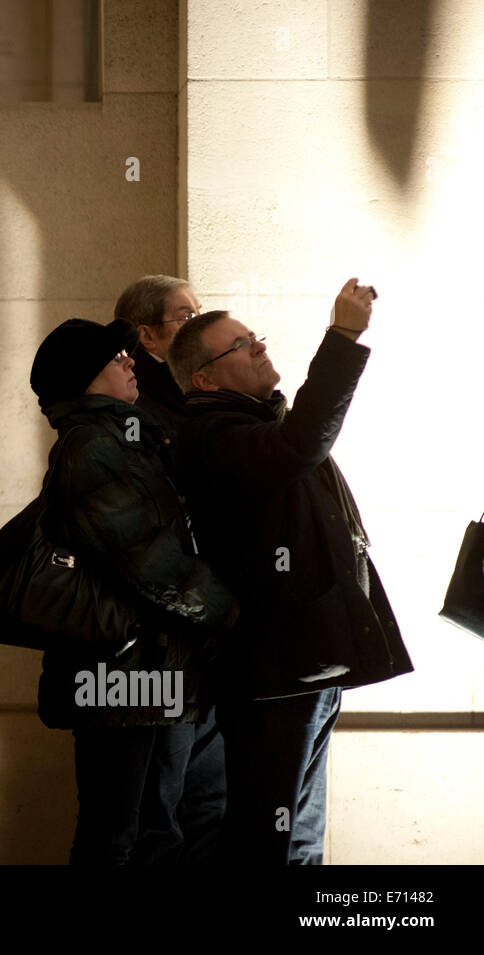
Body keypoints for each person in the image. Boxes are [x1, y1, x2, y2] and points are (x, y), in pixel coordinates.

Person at [166, 279, 413, 864]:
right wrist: (343, 337)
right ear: (204, 379)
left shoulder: (254, 423)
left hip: (303, 663)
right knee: (267, 831)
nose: (257, 348)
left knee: (299, 828)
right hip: (274, 667)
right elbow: (300, 445)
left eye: (255, 338)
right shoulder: (213, 434)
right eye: (239, 346)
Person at [29, 317, 239, 865]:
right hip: (127, 679)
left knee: (151, 829)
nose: (129, 361)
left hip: (150, 671)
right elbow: (150, 563)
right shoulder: (95, 448)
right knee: (126, 835)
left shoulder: (125, 437)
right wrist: (229, 615)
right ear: (84, 379)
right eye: (115, 357)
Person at [113, 275, 226, 861]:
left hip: (199, 639)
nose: (199, 325)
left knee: (206, 802)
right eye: (186, 316)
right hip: (160, 642)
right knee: (156, 811)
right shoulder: (140, 416)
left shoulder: (199, 402)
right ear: (147, 336)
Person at [113, 274, 201, 438]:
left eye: (200, 313)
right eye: (187, 317)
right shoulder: (131, 400)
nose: (202, 327)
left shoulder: (193, 380)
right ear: (147, 336)